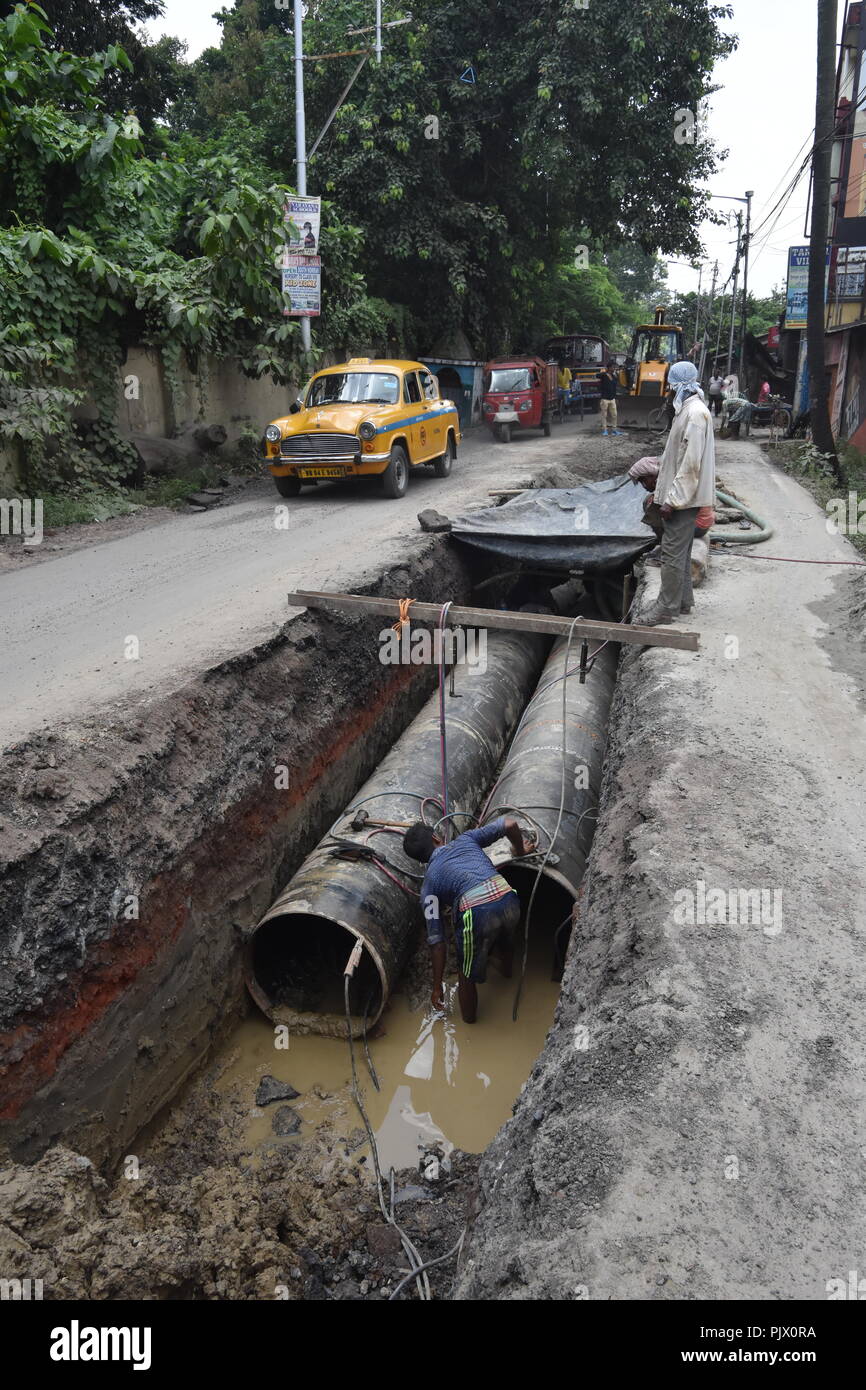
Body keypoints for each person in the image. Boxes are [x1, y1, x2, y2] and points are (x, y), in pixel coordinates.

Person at [403, 817, 529, 1023]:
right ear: (436, 838)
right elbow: (510, 824)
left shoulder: (428, 888)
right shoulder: (466, 839)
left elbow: (437, 942)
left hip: (477, 912)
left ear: (420, 860)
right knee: (506, 939)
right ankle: (507, 974)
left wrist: (436, 988)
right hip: (508, 896)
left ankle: (470, 1023)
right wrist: (521, 851)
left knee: (466, 974)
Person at [641, 361, 716, 627]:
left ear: (677, 383)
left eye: (671, 383)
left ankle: (665, 608)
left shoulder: (694, 414)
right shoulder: (689, 410)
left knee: (672, 554)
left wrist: (672, 501)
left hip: (684, 500)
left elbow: (690, 464)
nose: (669, 388)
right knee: (681, 553)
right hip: (684, 496)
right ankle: (682, 601)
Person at [598, 365, 622, 437]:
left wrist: (616, 397)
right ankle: (605, 430)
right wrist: (605, 372)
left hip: (612, 399)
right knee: (604, 415)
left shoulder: (614, 377)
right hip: (604, 398)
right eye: (613, 367)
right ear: (608, 368)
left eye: (614, 367)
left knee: (614, 415)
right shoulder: (603, 375)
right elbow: (597, 375)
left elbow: (615, 388)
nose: (614, 368)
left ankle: (614, 430)